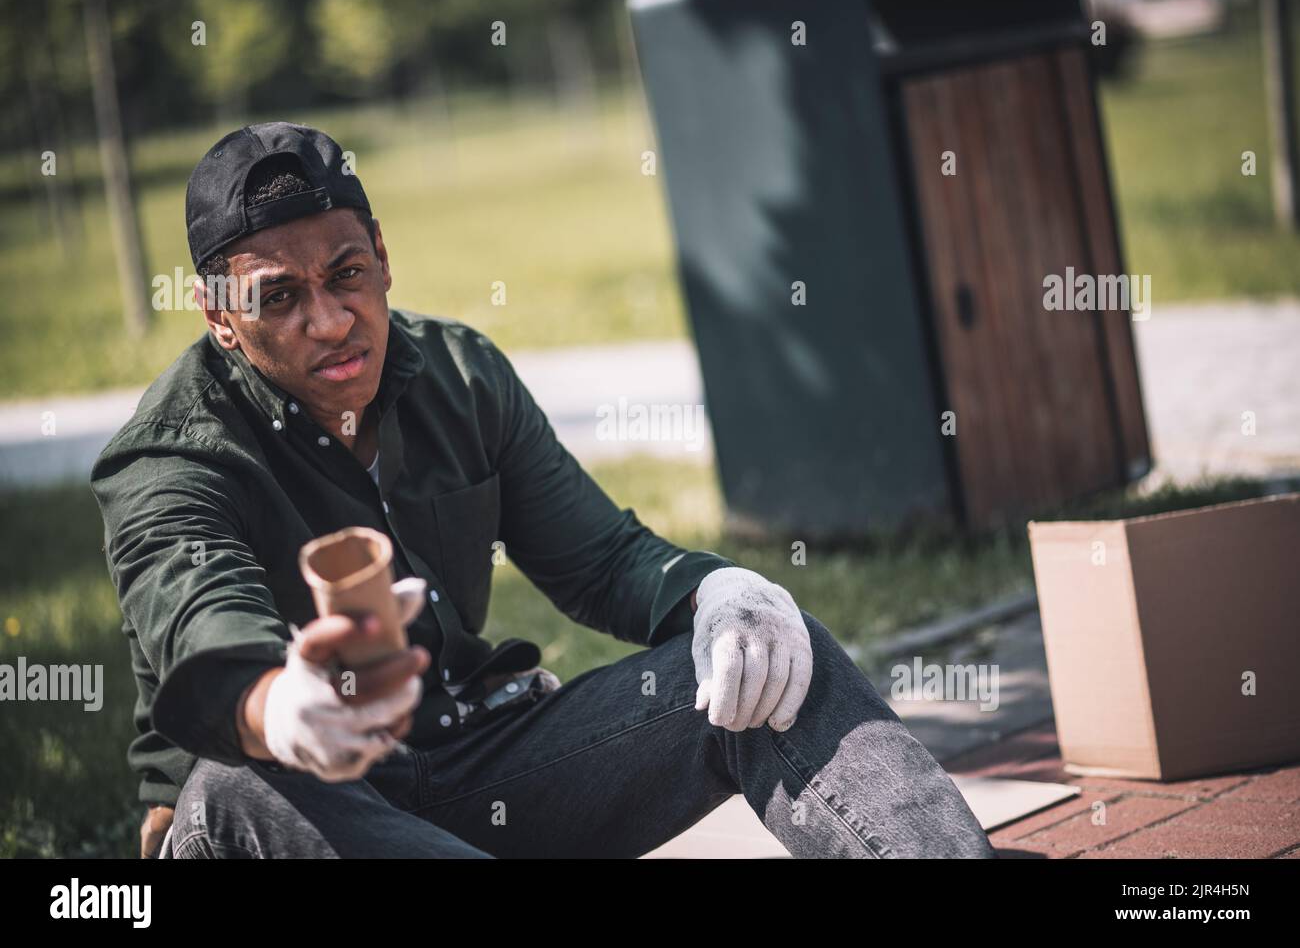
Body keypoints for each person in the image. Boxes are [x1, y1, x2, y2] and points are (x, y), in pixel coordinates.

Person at [91, 122, 995, 859]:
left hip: (471, 771)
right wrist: (283, 707)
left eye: (346, 275)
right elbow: (201, 628)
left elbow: (601, 561)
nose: (329, 321)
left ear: (382, 258)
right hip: (295, 814)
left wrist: (717, 589)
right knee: (236, 791)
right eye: (278, 298)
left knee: (763, 651)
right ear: (219, 316)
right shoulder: (173, 456)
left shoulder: (459, 376)